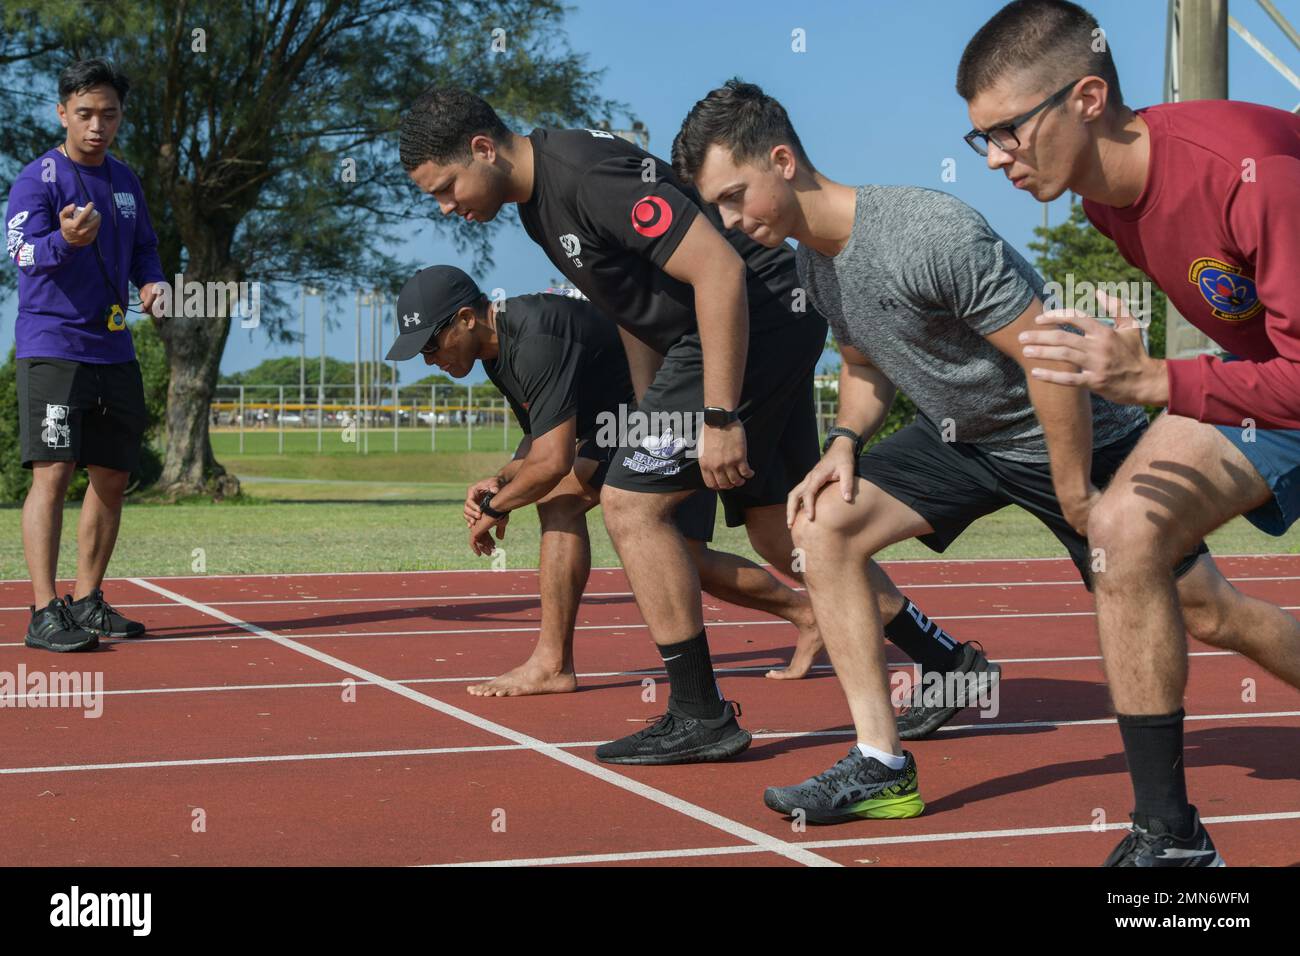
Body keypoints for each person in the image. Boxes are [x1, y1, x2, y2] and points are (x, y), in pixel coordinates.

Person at [673, 77, 1300, 825]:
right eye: (718, 209)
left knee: (1209, 614)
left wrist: (1074, 493)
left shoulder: (924, 232)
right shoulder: (817, 262)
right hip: (964, 442)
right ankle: (881, 763)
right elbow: (866, 363)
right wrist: (844, 441)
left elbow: (1046, 359)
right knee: (822, 525)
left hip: (1069, 437)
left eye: (735, 196)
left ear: (781, 160)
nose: (732, 221)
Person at [398, 89, 959, 764]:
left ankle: (700, 714)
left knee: (630, 507)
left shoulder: (581, 173)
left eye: (447, 187)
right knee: (782, 534)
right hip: (747, 327)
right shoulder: (537, 211)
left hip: (751, 314)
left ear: (483, 149)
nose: (447, 207)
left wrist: (718, 416)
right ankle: (951, 663)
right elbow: (635, 311)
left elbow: (718, 270)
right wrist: (648, 412)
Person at [960, 0, 1300, 866]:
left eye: (1007, 131)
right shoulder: (1106, 200)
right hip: (1276, 382)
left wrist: (1152, 380)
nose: (996, 158)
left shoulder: (1250, 169)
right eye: (980, 140)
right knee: (1124, 532)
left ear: (1085, 98)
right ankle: (1170, 838)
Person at [386, 265, 823, 697]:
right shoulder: (497, 354)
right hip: (627, 423)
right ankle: (807, 615)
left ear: (466, 319)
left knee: (674, 553)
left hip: (670, 410)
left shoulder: (535, 339)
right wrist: (499, 480)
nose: (429, 359)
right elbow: (539, 441)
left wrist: (496, 508)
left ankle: (555, 663)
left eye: (430, 344)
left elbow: (553, 462)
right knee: (654, 545)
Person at [6, 58, 165, 652]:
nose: (97, 125)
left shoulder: (125, 180)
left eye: (109, 114)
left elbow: (146, 248)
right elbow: (20, 252)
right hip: (53, 346)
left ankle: (89, 599)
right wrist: (62, 242)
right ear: (62, 113)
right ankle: (44, 611)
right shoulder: (37, 178)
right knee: (53, 471)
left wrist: (154, 284)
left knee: (113, 474)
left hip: (114, 345)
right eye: (85, 114)